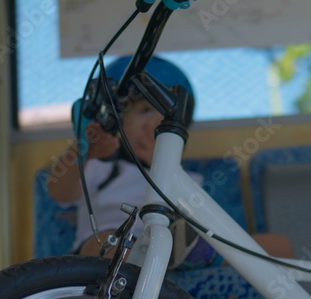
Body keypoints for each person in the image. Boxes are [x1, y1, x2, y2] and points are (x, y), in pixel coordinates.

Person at [47, 55, 293, 266]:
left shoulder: (187, 180)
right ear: (117, 122)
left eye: (167, 116)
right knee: (107, 244)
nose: (157, 121)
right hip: (111, 251)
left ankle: (196, 255)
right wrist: (83, 149)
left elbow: (215, 227)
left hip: (168, 248)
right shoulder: (100, 166)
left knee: (278, 245)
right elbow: (60, 191)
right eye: (146, 110)